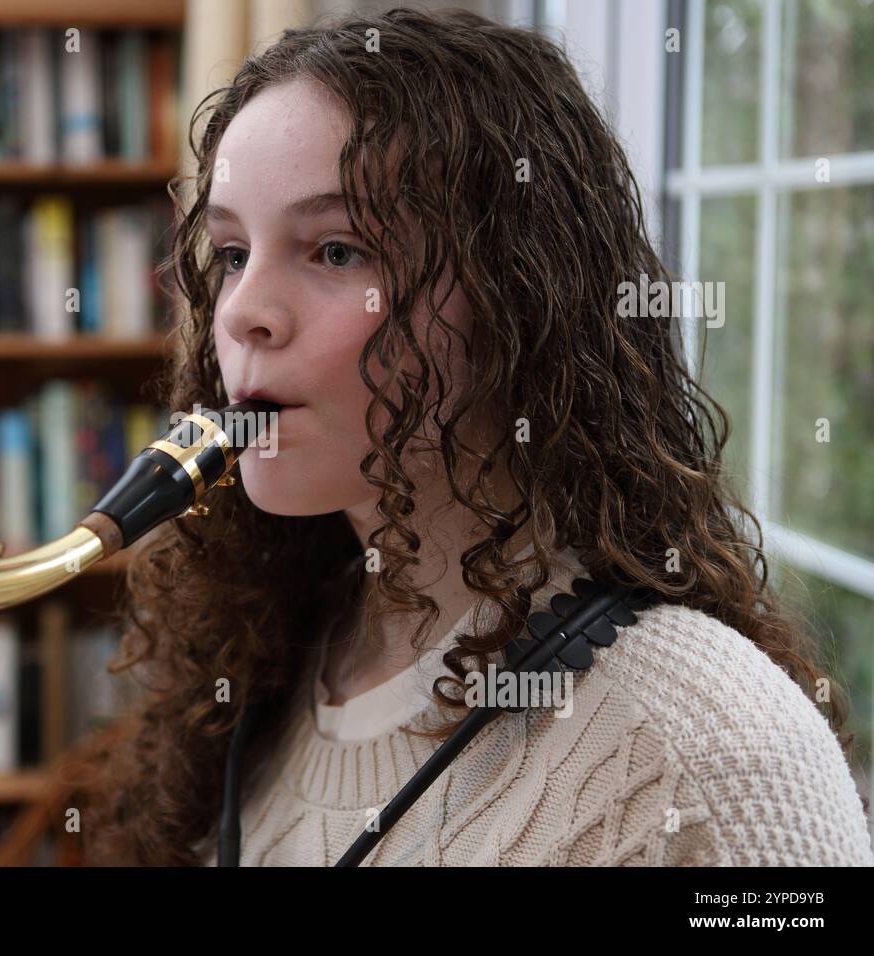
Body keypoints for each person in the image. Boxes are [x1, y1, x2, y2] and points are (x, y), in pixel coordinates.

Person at [66, 7, 874, 866]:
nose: (242, 315)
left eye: (336, 251)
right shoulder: (269, 658)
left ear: (520, 301)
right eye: (231, 254)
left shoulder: (709, 759)